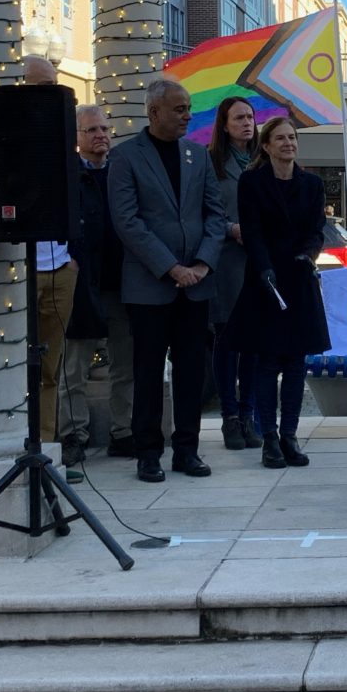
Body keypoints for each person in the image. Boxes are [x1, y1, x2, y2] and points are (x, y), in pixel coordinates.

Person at [108, 79, 227, 483]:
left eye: (188, 108)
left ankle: (187, 451)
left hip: (196, 285)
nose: (187, 116)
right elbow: (127, 221)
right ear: (153, 111)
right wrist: (170, 267)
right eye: (179, 109)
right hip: (150, 286)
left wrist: (203, 265)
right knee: (148, 371)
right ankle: (148, 452)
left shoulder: (198, 155)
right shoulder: (125, 157)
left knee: (192, 371)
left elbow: (215, 215)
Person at [225, 117, 330, 469]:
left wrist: (308, 255)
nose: (288, 143)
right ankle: (268, 436)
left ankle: (290, 435)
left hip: (299, 277)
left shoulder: (312, 184)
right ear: (266, 145)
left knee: (297, 362)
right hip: (265, 280)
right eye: (280, 138)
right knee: (268, 362)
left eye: (292, 138)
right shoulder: (252, 182)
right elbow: (252, 230)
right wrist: (264, 266)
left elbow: (317, 229)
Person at [57, 105, 136, 466]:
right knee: (74, 367)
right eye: (91, 130)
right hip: (80, 281)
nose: (101, 135)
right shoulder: (67, 176)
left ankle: (124, 433)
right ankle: (74, 434)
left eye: (105, 128)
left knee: (126, 363)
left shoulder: (123, 173)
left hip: (122, 282)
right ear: (76, 138)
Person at [24, 56, 80, 445]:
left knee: (50, 368)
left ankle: (46, 447)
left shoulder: (61, 139)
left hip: (61, 268)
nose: (51, 95)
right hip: (15, 276)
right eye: (42, 86)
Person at [206, 96, 261, 451]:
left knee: (254, 346)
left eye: (250, 116)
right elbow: (201, 212)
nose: (246, 122)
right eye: (238, 117)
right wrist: (230, 229)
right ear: (224, 125)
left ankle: (248, 415)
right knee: (227, 344)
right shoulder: (211, 164)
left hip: (258, 263)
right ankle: (228, 416)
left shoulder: (263, 162)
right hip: (226, 262)